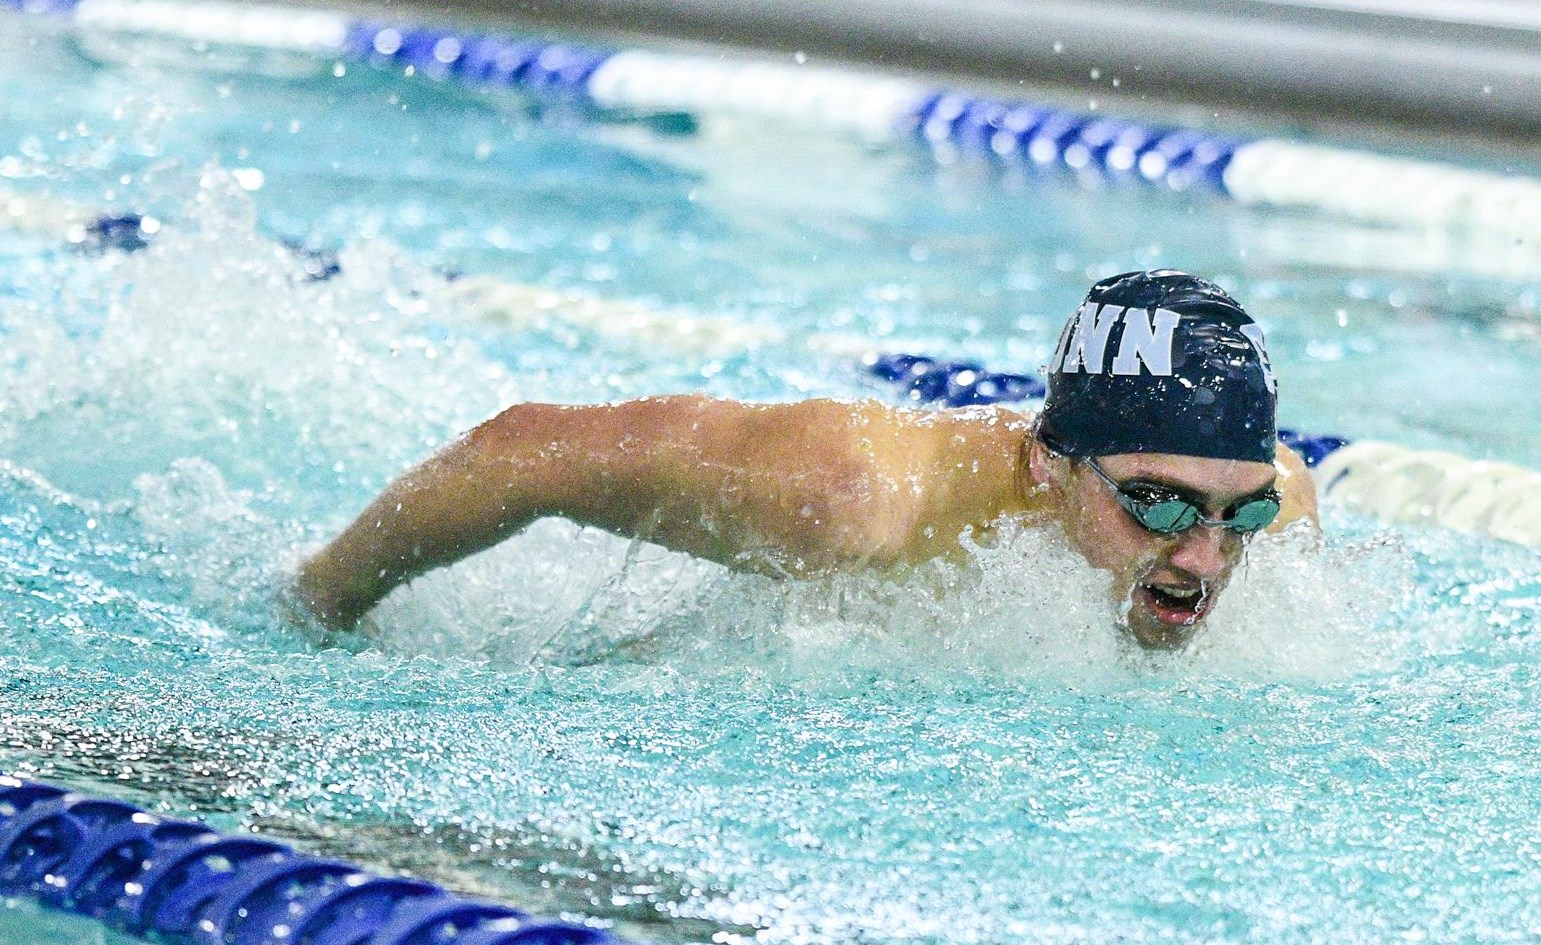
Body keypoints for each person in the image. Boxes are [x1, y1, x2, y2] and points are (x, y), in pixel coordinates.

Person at [292, 269, 1318, 650]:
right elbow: (523, 450)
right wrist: (317, 605)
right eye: (1160, 507)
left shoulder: (1283, 499)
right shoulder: (856, 495)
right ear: (1051, 464)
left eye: (1242, 513)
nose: (1206, 559)